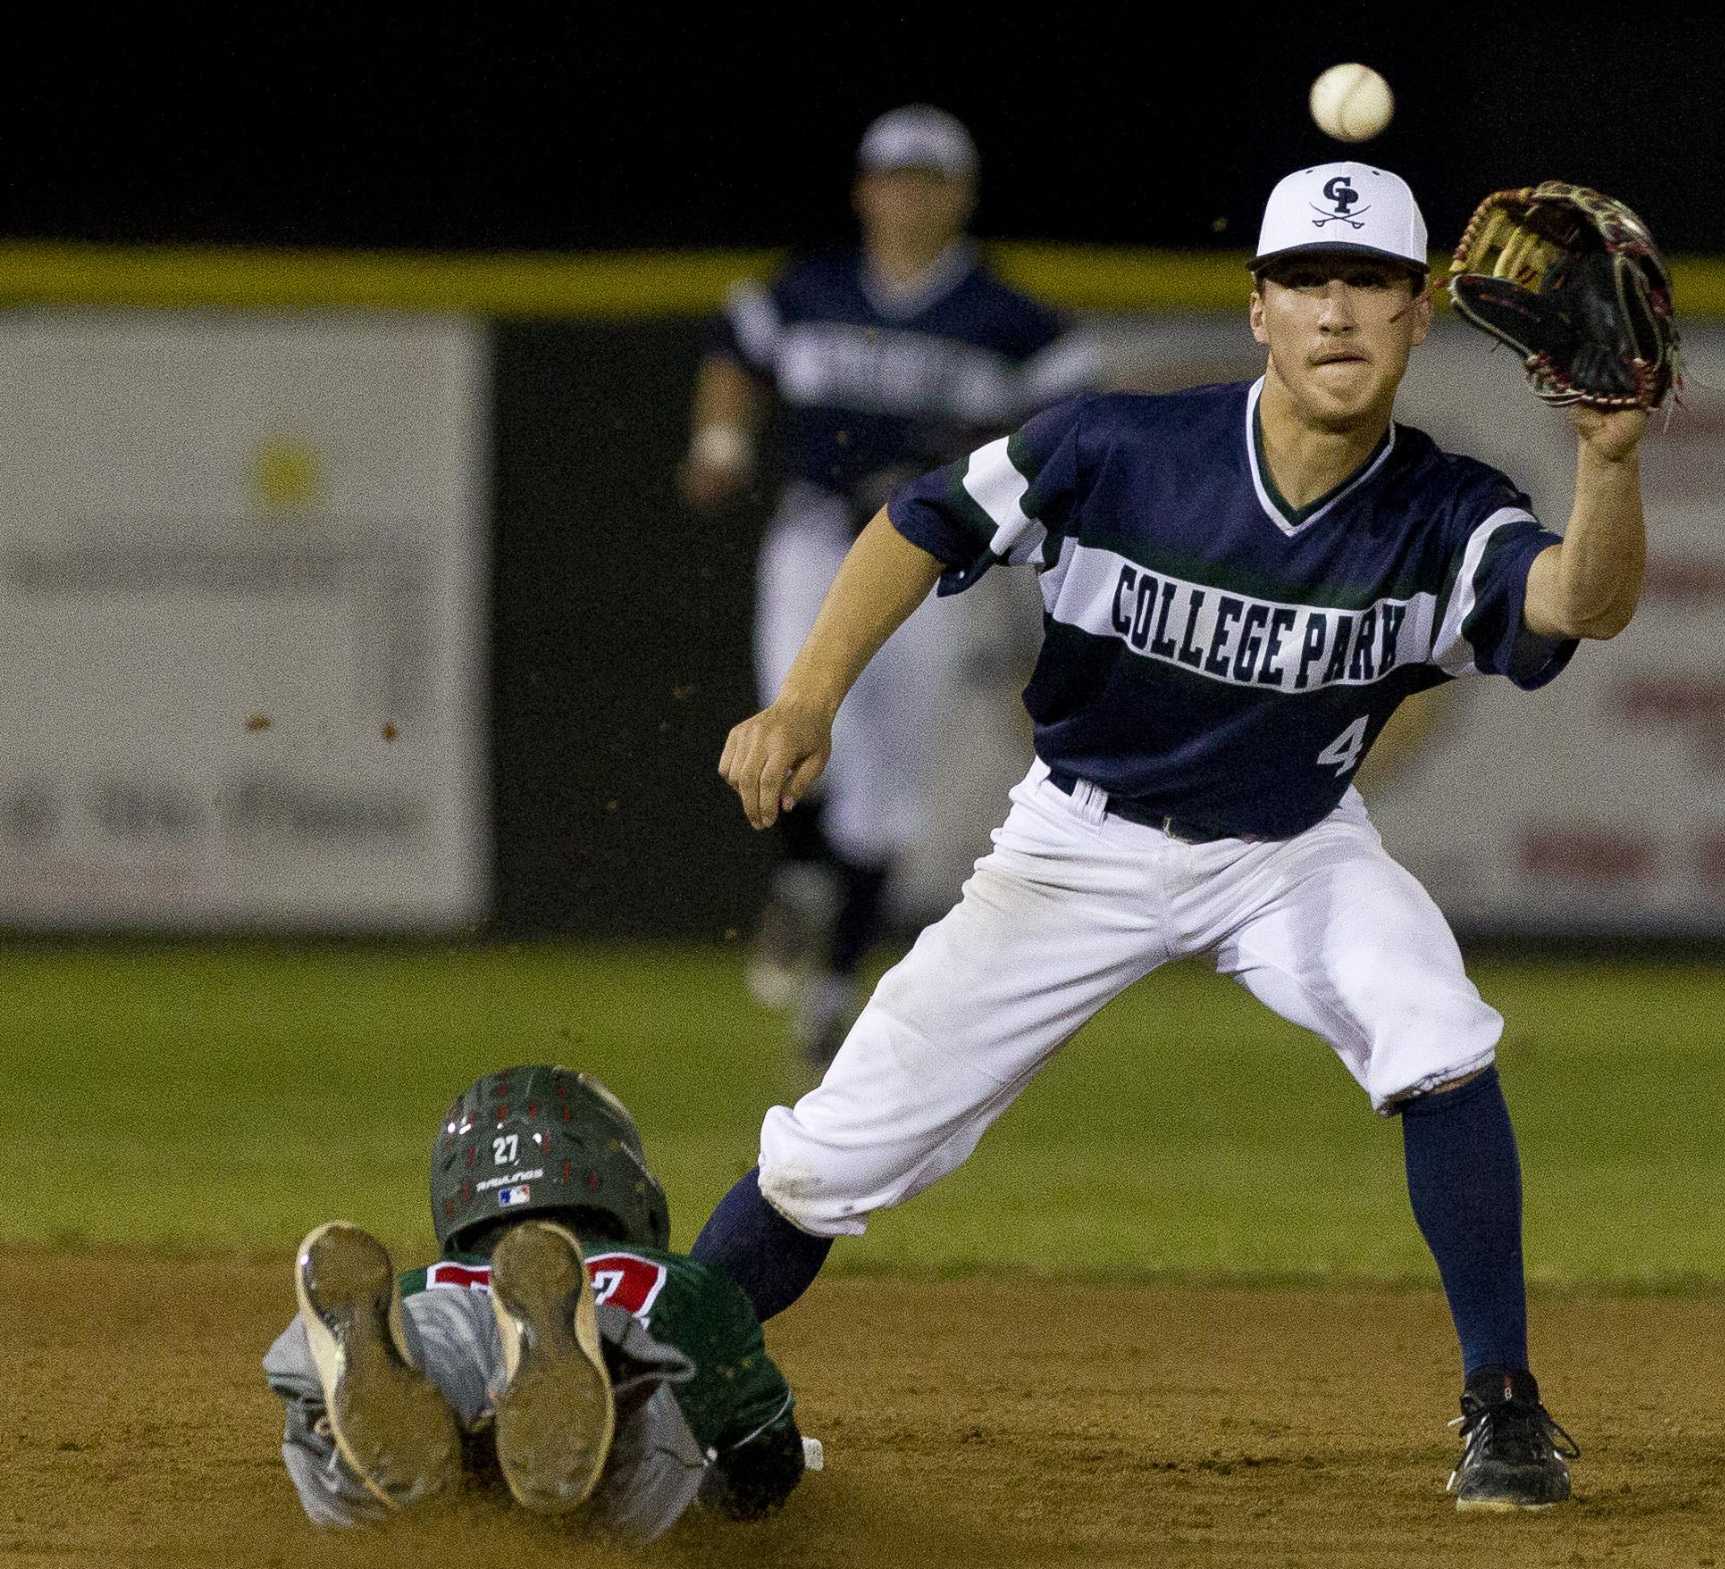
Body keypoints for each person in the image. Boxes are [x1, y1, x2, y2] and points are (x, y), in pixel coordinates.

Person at [694, 159, 1642, 1512]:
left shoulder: (1443, 509)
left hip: (1289, 848)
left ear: (1418, 315)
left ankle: (1505, 1403)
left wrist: (1609, 466)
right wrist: (807, 694)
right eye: (1306, 281)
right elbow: (924, 521)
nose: (1336, 312)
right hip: (1075, 844)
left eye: (1368, 282)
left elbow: (1571, 604)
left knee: (1433, 1024)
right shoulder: (1118, 448)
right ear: (1257, 308)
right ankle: (644, 1358)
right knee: (834, 1148)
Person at [678, 103, 1100, 1068]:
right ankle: (804, 886)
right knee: (794, 707)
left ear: (961, 196)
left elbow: (1070, 422)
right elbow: (736, 348)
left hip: (939, 558)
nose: (909, 199)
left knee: (888, 791)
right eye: (894, 179)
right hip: (817, 536)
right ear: (866, 190)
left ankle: (831, 984)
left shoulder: (1011, 320)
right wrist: (718, 440)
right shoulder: (810, 290)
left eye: (929, 181)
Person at [262, 1065, 816, 1541]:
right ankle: (584, 1390)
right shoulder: (685, 1282)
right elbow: (764, 1468)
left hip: (435, 1318)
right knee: (632, 1402)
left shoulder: (414, 1286)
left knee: (396, 1369)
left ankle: (406, 1413)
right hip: (613, 1404)